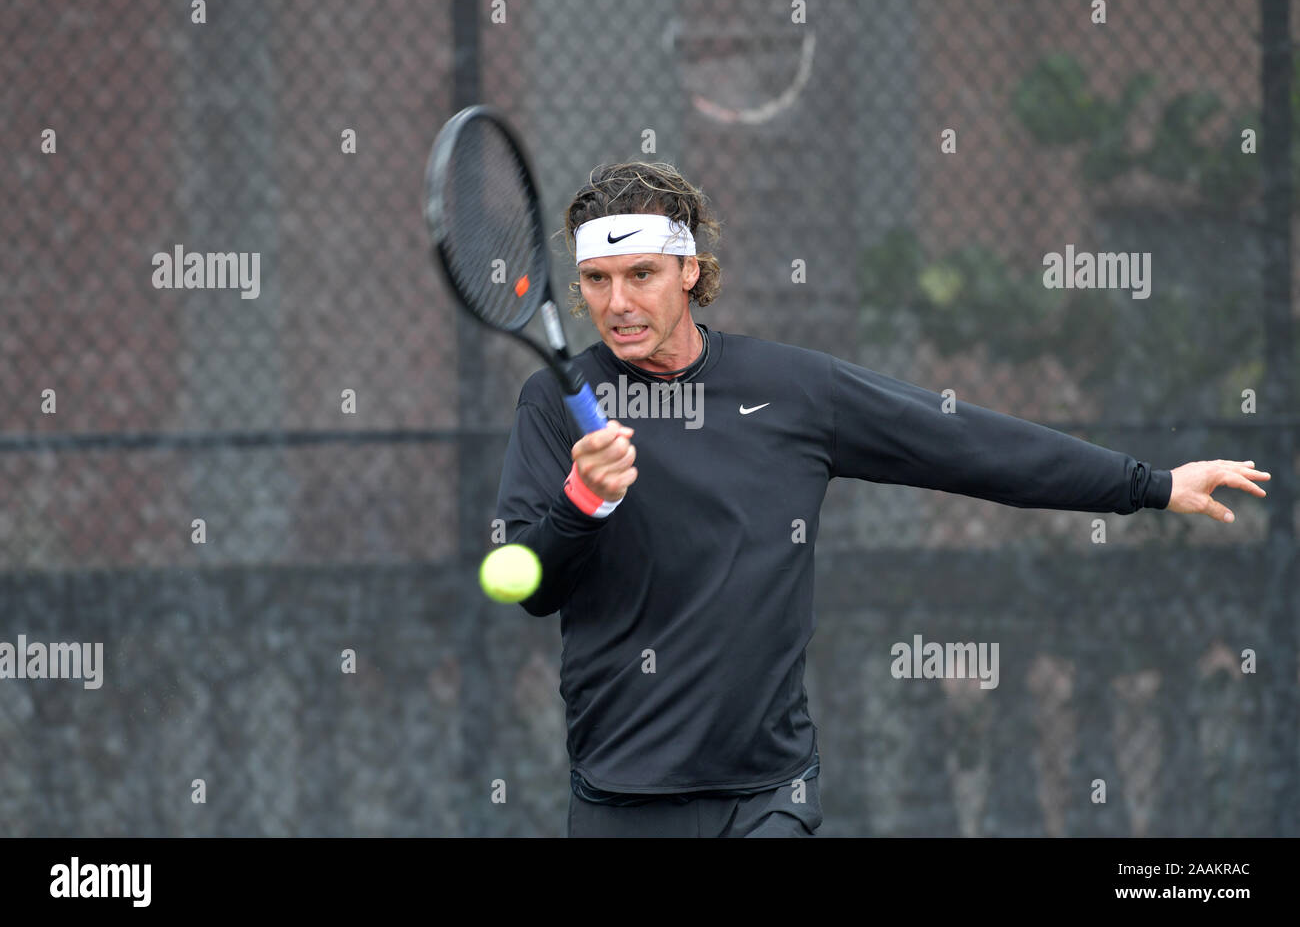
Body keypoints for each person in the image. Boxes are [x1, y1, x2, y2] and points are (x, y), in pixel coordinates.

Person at [494, 161, 1271, 838]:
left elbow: (968, 445)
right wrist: (581, 500)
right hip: (618, 791)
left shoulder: (793, 391)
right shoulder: (552, 404)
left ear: (690, 272)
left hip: (768, 793)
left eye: (642, 275)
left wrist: (1152, 484)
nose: (619, 302)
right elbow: (526, 581)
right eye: (598, 280)